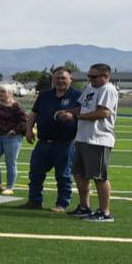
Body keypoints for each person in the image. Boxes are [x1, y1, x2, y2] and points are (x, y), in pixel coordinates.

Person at [66, 63, 120, 222]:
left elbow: (103, 112)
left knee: (99, 177)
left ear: (106, 76)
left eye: (94, 77)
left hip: (98, 138)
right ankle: (84, 207)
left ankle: (105, 212)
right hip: (83, 137)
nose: (91, 79)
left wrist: (77, 117)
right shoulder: (90, 88)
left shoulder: (108, 90)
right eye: (89, 76)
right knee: (79, 174)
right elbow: (82, 108)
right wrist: (67, 113)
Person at [24, 67, 82, 211]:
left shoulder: (79, 96)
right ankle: (34, 201)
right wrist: (29, 129)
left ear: (70, 79)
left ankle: (62, 204)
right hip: (43, 141)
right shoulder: (44, 95)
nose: (60, 81)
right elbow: (34, 113)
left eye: (63, 78)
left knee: (63, 175)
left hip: (66, 143)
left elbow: (83, 115)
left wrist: (72, 116)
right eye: (57, 78)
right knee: (35, 173)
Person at [0, 83, 32, 195]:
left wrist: (15, 130)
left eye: (3, 91)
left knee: (10, 162)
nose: (0, 93)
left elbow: (25, 121)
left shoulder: (16, 106)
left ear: (10, 93)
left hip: (12, 138)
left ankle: (10, 187)